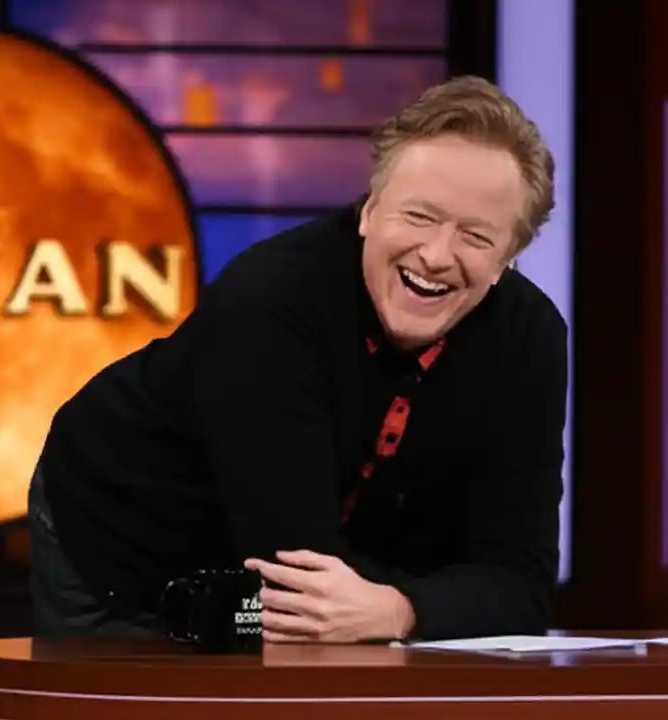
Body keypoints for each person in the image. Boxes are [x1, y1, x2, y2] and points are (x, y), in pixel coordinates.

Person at [28, 75, 567, 643]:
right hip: (127, 533)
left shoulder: (528, 340)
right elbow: (299, 575)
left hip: (320, 572)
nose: (436, 255)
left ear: (508, 258)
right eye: (419, 216)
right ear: (368, 212)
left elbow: (523, 586)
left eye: (476, 237)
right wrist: (432, 601)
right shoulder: (269, 302)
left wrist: (401, 610)